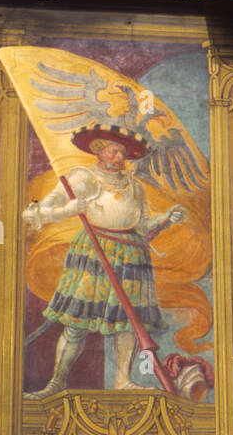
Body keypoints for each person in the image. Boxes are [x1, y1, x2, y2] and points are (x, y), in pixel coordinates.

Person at [23, 124, 185, 398]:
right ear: (99, 150)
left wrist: (166, 218)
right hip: (93, 252)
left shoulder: (134, 187)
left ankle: (123, 380)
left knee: (128, 323)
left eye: (123, 153)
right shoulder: (82, 179)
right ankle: (57, 382)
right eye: (114, 151)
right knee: (77, 323)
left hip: (131, 254)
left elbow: (142, 224)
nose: (120, 157)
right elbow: (34, 214)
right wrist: (67, 210)